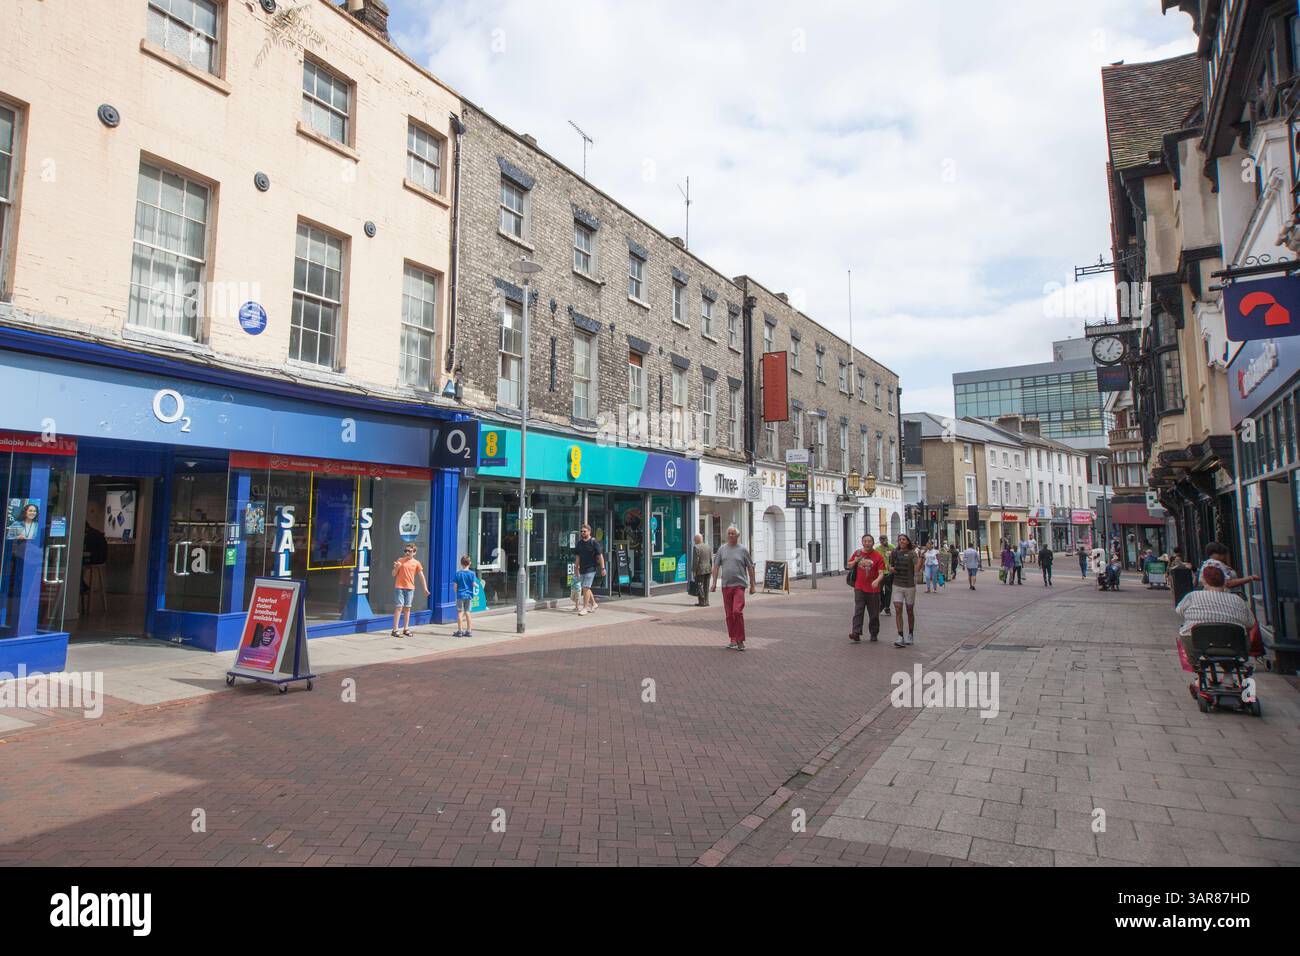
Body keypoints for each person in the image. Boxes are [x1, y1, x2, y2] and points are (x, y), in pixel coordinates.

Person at [1175, 564, 1255, 671]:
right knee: (1242, 635)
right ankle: (1229, 675)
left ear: (1204, 581)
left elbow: (1179, 611)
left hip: (1197, 643)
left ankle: (1197, 669)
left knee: (1184, 631)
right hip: (1233, 645)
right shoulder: (1238, 600)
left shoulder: (1193, 596)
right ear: (1224, 581)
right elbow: (1251, 623)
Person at [711, 525, 756, 650]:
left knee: (737, 611)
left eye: (732, 534)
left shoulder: (743, 550)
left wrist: (752, 585)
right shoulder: (722, 549)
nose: (730, 536)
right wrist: (714, 583)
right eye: (729, 534)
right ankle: (733, 639)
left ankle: (740, 640)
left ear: (737, 536)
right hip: (726, 586)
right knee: (729, 614)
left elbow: (750, 567)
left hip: (739, 585)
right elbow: (716, 566)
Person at [847, 533, 885, 643]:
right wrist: (856, 560)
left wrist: (877, 581)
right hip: (859, 587)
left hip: (873, 590)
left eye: (869, 541)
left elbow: (881, 572)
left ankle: (874, 633)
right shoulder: (858, 553)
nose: (867, 543)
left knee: (873, 613)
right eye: (865, 541)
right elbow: (848, 565)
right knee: (858, 610)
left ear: (873, 543)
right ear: (862, 542)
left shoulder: (877, 556)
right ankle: (856, 633)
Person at [886, 534, 922, 647]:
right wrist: (890, 569)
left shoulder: (912, 554)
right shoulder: (894, 553)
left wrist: (921, 558)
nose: (901, 541)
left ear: (907, 542)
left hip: (909, 585)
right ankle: (900, 635)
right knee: (898, 608)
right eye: (900, 539)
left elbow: (917, 568)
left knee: (909, 610)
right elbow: (890, 566)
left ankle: (910, 634)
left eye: (904, 539)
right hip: (897, 584)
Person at [391, 543, 429, 638]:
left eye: (409, 551)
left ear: (414, 552)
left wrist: (425, 589)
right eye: (406, 551)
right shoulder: (400, 560)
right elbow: (393, 574)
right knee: (399, 607)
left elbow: (421, 576)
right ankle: (395, 630)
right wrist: (397, 567)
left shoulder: (416, 563)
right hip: (399, 587)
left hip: (410, 588)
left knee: (407, 608)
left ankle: (406, 628)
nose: (407, 553)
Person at [575, 523, 606, 615]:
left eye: (584, 531)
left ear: (589, 531)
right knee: (586, 588)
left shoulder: (594, 542)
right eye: (581, 531)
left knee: (585, 587)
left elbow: (600, 556)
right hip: (582, 568)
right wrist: (576, 568)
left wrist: (603, 568)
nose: (582, 533)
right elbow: (577, 556)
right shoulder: (579, 543)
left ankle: (585, 608)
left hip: (591, 568)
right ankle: (594, 603)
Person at [452, 555, 479, 638]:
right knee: (467, 612)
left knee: (460, 612)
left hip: (460, 595)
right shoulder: (472, 574)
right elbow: (474, 584)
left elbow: (455, 586)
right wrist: (477, 585)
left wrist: (456, 593)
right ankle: (469, 630)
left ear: (461, 563)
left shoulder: (458, 573)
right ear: (469, 563)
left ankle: (460, 631)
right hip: (469, 595)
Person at [691, 533, 713, 607]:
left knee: (700, 585)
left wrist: (694, 571)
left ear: (697, 540)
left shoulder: (696, 547)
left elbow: (695, 561)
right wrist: (711, 567)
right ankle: (707, 601)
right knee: (706, 586)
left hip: (700, 570)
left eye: (694, 539)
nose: (694, 540)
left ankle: (702, 602)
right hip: (708, 569)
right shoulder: (708, 546)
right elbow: (710, 559)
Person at [878, 535, 894, 614]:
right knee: (879, 590)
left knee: (888, 590)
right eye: (882, 540)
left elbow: (896, 557)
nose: (884, 542)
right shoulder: (878, 549)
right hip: (880, 573)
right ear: (880, 541)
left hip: (889, 573)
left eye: (885, 540)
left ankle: (887, 607)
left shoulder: (892, 547)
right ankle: (883, 604)